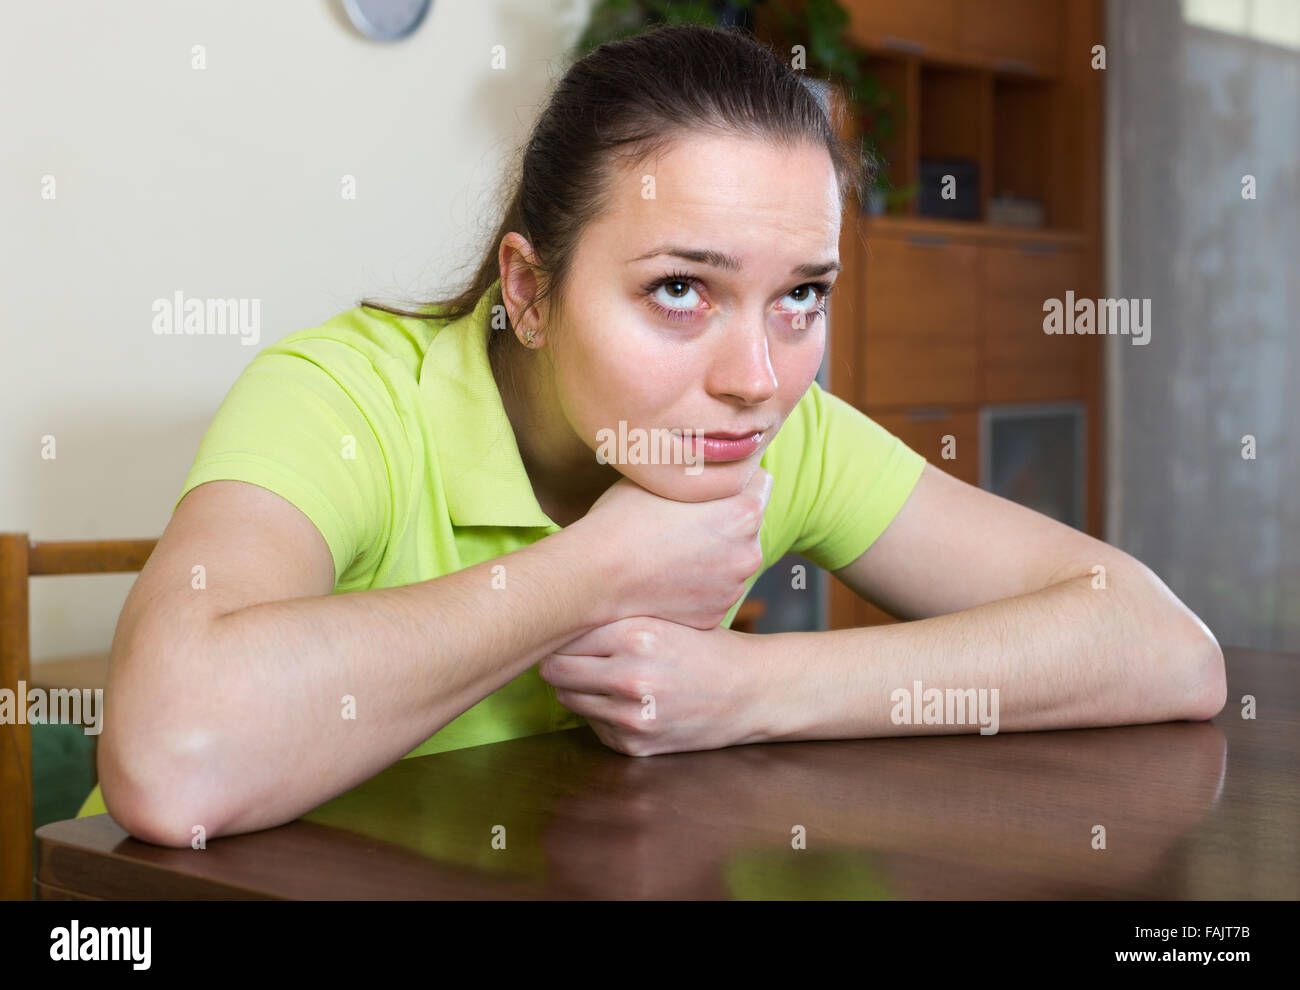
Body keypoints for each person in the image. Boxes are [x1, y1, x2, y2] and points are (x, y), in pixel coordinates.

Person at [83, 24, 1225, 847]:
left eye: (804, 296)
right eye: (680, 289)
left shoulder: (776, 426)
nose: (756, 376)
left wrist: (749, 687)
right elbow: (171, 760)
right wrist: (594, 571)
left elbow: (1161, 648)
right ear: (527, 291)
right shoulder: (343, 399)